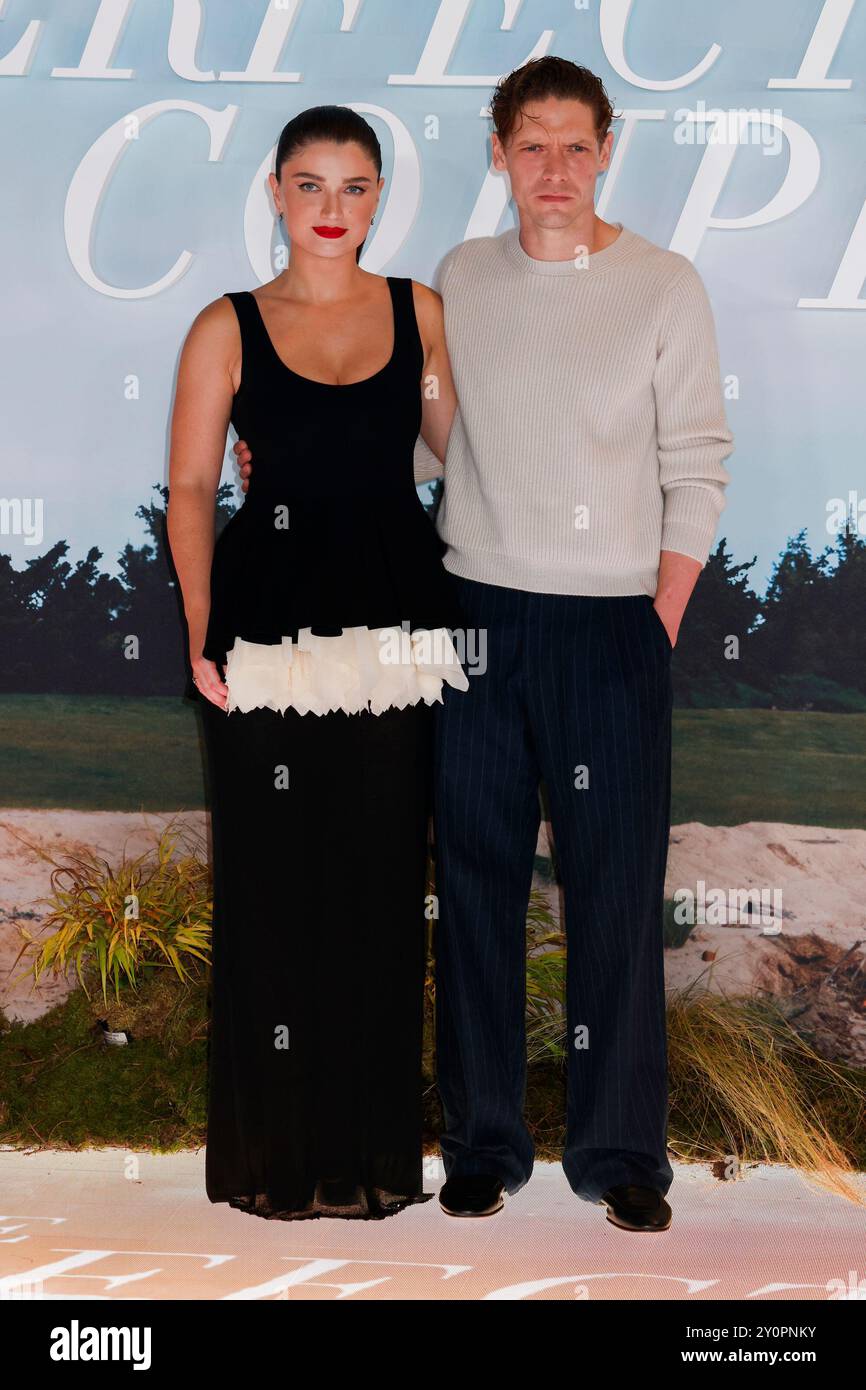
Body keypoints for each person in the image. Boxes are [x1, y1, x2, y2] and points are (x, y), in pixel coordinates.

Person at [233, 57, 735, 1233]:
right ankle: (482, 1143)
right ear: (498, 153)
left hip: (611, 626)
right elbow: (439, 443)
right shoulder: (460, 278)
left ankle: (618, 1153)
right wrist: (299, 461)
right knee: (471, 891)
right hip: (470, 614)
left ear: (605, 149)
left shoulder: (663, 285)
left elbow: (696, 463)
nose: (552, 168)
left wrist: (650, 616)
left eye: (574, 145)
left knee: (612, 894)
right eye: (530, 145)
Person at [166, 104, 468, 1221]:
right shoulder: (226, 325)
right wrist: (202, 627)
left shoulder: (419, 310)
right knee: (271, 892)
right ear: (276, 193)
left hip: (393, 633)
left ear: (377, 199)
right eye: (309, 185)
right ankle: (271, 1156)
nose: (330, 209)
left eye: (352, 187)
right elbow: (194, 486)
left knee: (381, 894)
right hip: (262, 634)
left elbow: (453, 448)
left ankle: (369, 1157)